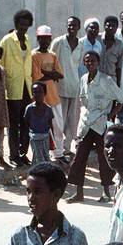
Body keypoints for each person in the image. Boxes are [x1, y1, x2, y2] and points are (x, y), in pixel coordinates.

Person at [66, 51, 122, 203]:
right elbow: (82, 103)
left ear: (98, 62)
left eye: (93, 61)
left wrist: (109, 116)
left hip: (100, 125)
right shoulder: (83, 79)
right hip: (86, 125)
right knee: (79, 158)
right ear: (84, 63)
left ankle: (106, 192)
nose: (90, 63)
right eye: (87, 61)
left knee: (104, 158)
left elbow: (121, 99)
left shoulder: (106, 80)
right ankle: (79, 193)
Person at [0, 10, 34, 166]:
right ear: (16, 24)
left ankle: (23, 153)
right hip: (13, 88)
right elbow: (0, 64)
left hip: (27, 87)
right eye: (21, 24)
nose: (24, 27)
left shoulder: (27, 40)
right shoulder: (7, 40)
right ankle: (13, 155)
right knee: (13, 124)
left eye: (26, 25)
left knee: (25, 122)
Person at [51, 18, 83, 161]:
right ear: (66, 26)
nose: (72, 27)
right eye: (69, 25)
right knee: (59, 120)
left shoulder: (80, 44)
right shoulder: (59, 42)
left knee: (72, 120)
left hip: (74, 86)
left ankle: (66, 147)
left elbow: (78, 65)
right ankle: (57, 150)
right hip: (60, 87)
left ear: (79, 27)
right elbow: (50, 60)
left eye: (75, 25)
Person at [25, 83, 54, 163]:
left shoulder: (48, 109)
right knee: (36, 157)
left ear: (45, 93)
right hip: (34, 138)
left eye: (40, 92)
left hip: (45, 138)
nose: (37, 94)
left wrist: (52, 142)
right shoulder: (29, 109)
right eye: (35, 92)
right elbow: (26, 124)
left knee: (45, 157)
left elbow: (50, 126)